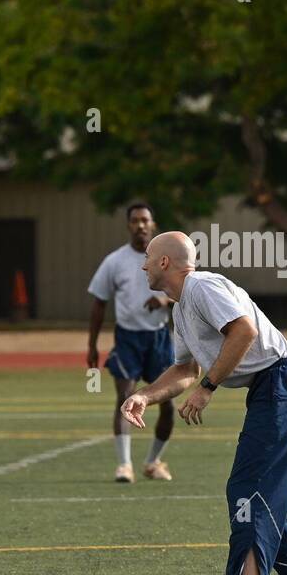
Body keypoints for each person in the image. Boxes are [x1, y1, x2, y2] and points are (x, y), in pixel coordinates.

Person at [120, 232, 287, 575]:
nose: (143, 265)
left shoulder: (203, 286)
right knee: (266, 494)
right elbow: (186, 370)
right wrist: (145, 396)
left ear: (165, 263)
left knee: (248, 489)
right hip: (275, 388)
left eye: (149, 259)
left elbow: (244, 332)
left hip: (283, 384)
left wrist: (209, 388)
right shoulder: (181, 307)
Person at [86, 203, 175, 481]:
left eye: (145, 220)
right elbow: (99, 303)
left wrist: (164, 299)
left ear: (153, 224)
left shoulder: (167, 259)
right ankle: (124, 465)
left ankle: (153, 461)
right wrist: (92, 345)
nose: (140, 225)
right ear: (128, 225)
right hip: (127, 339)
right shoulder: (115, 261)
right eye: (135, 221)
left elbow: (185, 291)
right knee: (125, 398)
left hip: (159, 338)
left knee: (168, 403)